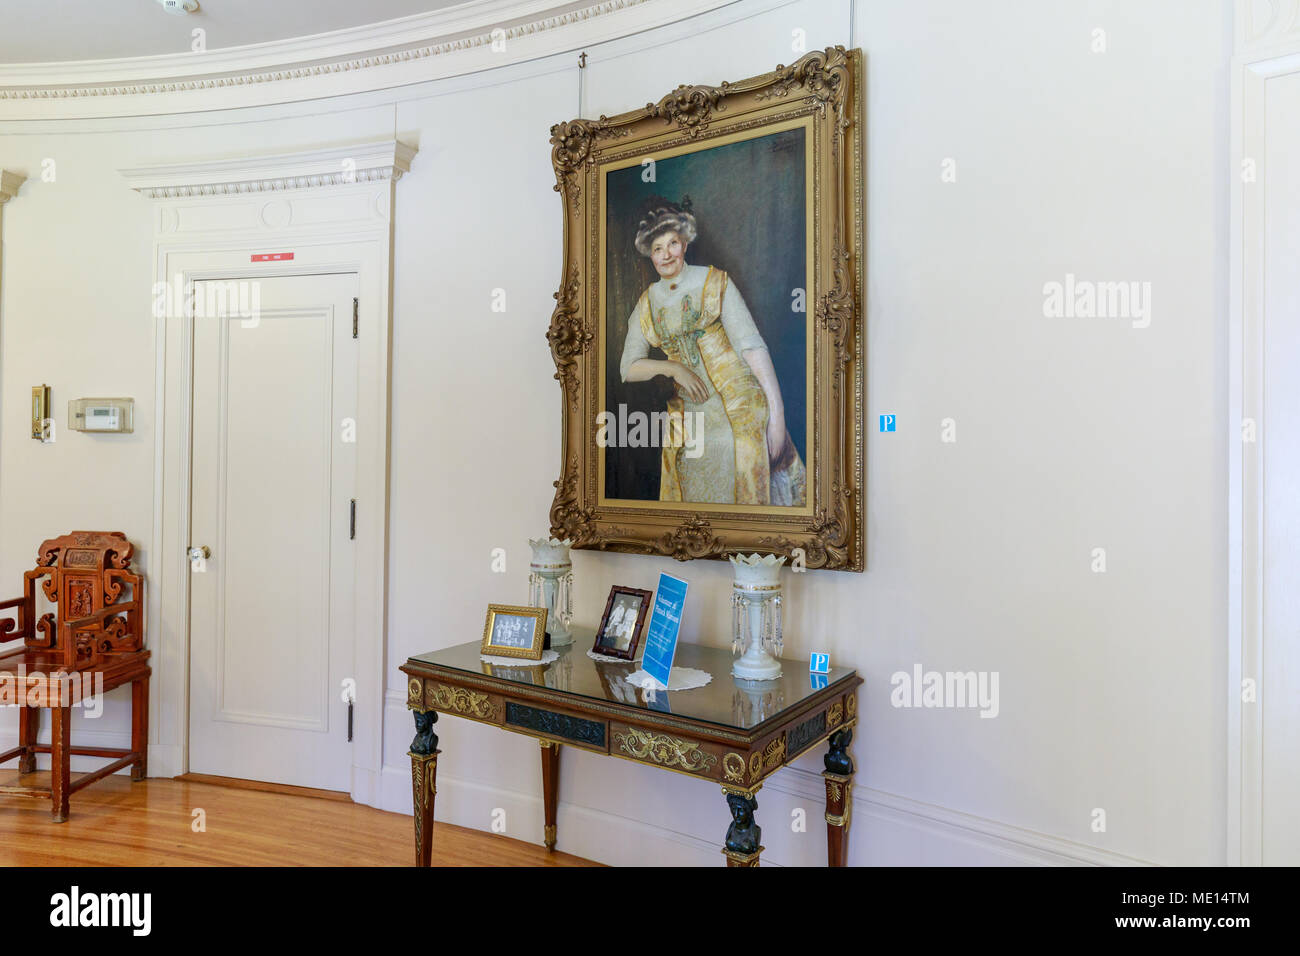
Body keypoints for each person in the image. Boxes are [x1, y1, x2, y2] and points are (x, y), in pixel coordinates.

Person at [619, 197, 806, 506]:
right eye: (657, 249)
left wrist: (778, 417)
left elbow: (752, 347)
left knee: (738, 445)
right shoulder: (647, 302)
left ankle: (745, 543)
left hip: (739, 396)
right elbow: (628, 367)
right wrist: (673, 368)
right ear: (649, 255)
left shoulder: (714, 281)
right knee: (684, 451)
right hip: (691, 405)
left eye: (672, 244)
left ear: (685, 244)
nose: (666, 255)